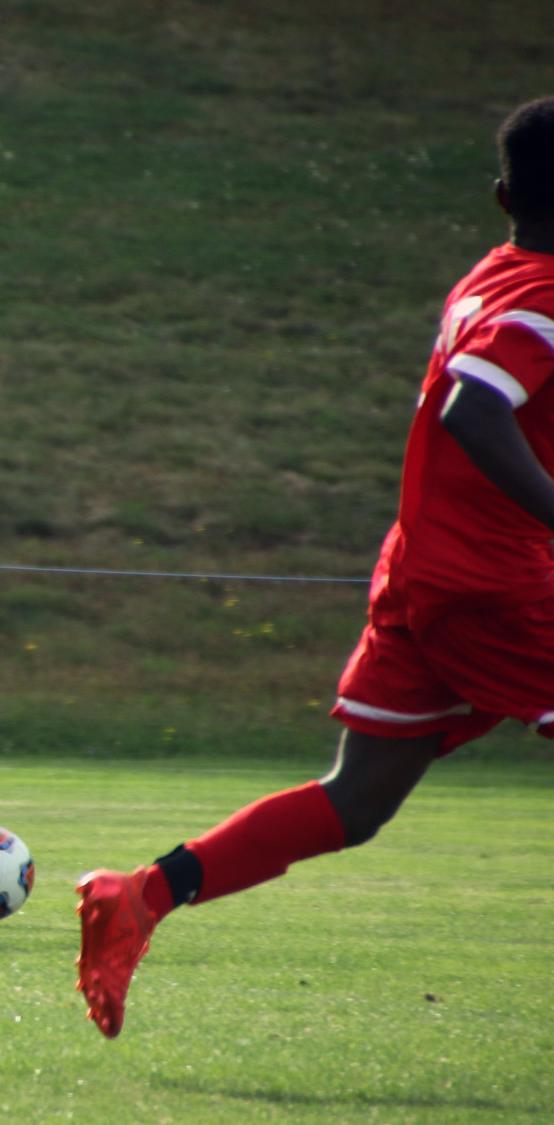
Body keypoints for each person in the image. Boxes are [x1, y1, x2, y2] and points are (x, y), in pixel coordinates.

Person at [75, 96, 554, 1038]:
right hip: (495, 583)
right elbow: (474, 409)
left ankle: (140, 895)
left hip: (423, 572)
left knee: (359, 799)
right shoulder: (545, 296)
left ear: (502, 198)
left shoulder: (492, 275)